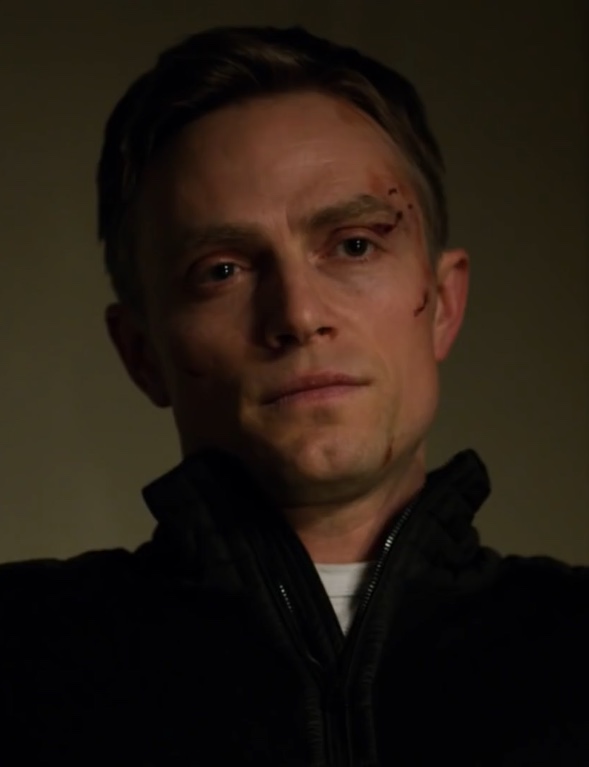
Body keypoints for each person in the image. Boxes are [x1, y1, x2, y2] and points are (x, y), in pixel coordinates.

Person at [1, 25, 587, 766]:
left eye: (353, 244)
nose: (299, 315)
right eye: (221, 270)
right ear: (142, 353)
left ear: (441, 303)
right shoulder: (19, 657)